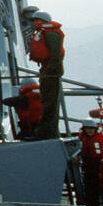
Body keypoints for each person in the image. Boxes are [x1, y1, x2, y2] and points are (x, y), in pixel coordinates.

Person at [28, 11, 65, 140]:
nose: (34, 23)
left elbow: (56, 55)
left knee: (50, 104)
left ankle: (46, 133)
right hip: (46, 70)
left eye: (36, 20)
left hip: (51, 73)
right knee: (47, 103)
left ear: (43, 21)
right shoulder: (44, 32)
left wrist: (50, 70)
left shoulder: (51, 33)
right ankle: (49, 132)